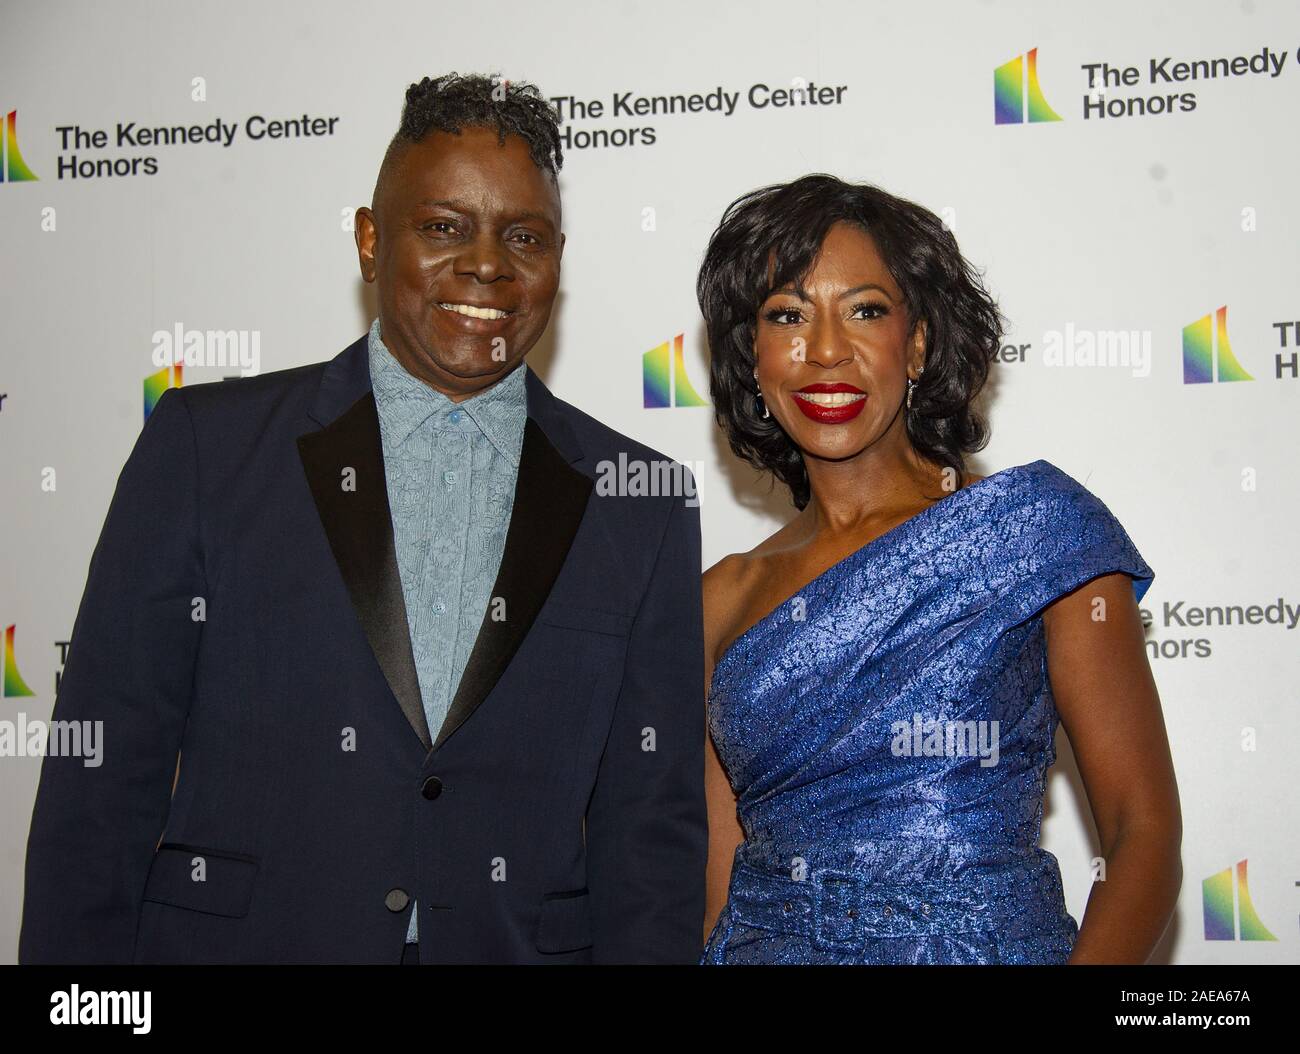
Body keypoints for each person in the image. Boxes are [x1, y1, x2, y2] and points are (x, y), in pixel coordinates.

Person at [19, 73, 706, 964]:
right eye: (443, 227)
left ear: (558, 259)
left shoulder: (639, 500)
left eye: (523, 237)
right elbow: (103, 779)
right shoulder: (206, 451)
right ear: (370, 241)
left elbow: (650, 834)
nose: (486, 265)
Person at [696, 174, 1182, 964]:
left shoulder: (1036, 532)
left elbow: (1142, 831)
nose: (825, 350)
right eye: (787, 315)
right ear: (753, 355)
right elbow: (718, 892)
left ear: (917, 342)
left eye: (865, 310)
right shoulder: (721, 599)